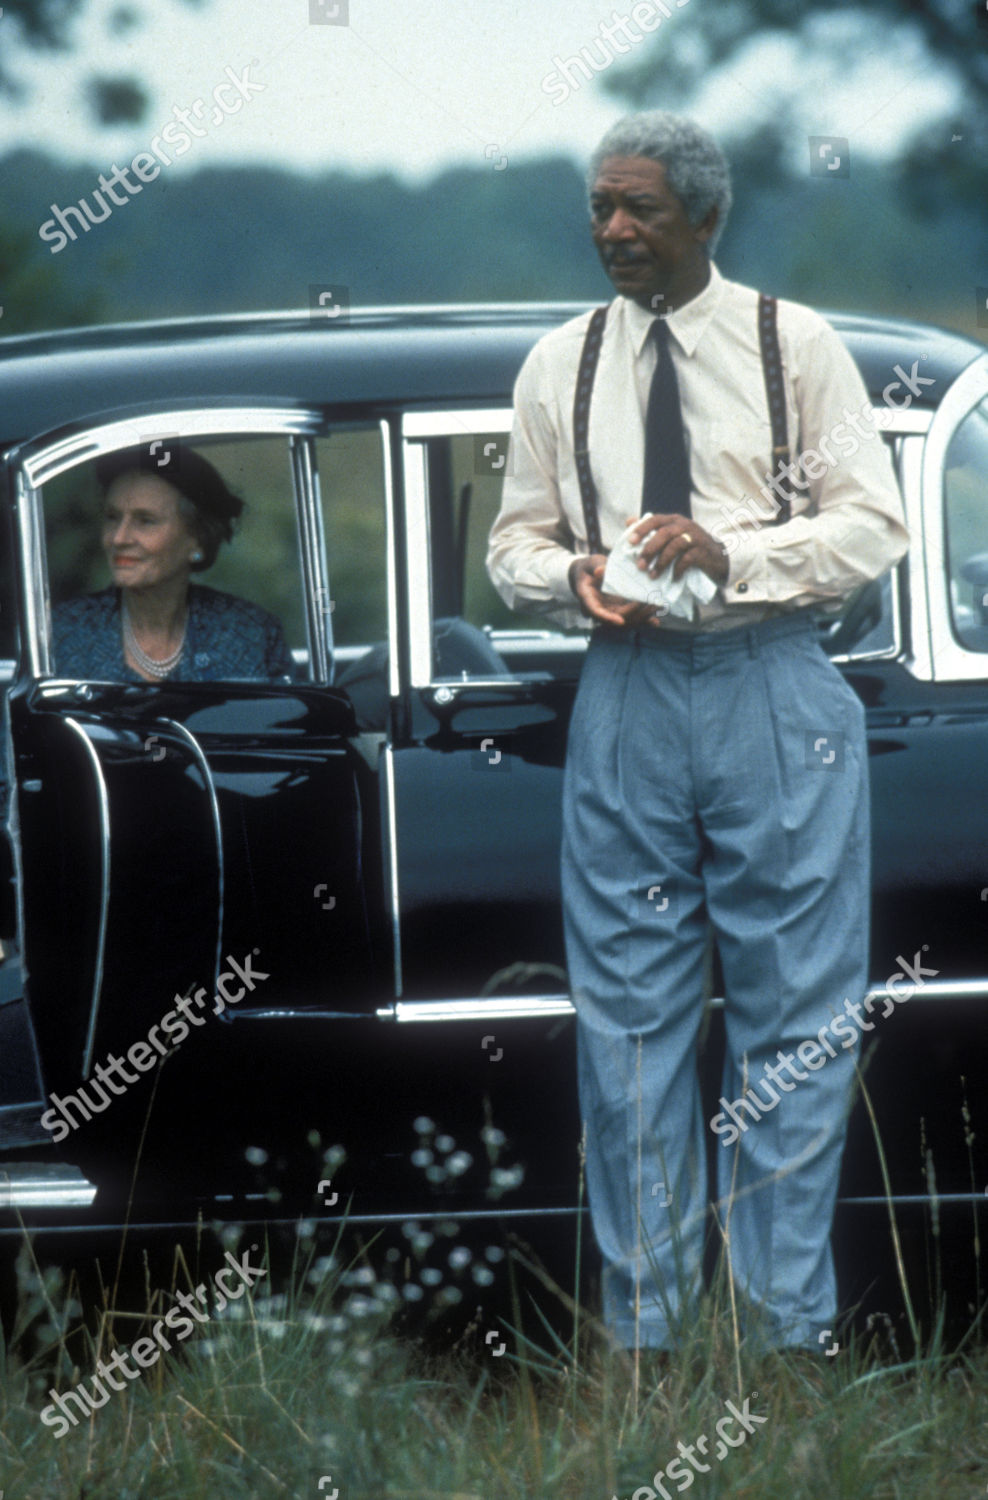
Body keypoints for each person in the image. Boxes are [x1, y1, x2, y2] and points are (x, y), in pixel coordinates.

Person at [486, 111, 910, 1354]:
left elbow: (870, 525)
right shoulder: (558, 362)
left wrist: (733, 553)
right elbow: (512, 544)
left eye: (642, 211)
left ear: (706, 218)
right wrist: (572, 580)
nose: (615, 231)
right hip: (623, 689)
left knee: (796, 1023)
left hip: (772, 679)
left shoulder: (794, 342)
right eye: (601, 209)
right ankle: (648, 1348)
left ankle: (783, 1339)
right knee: (627, 1027)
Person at [53, 446, 292, 682]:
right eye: (112, 518)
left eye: (145, 521)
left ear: (197, 538)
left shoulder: (250, 633)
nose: (119, 538)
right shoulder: (65, 632)